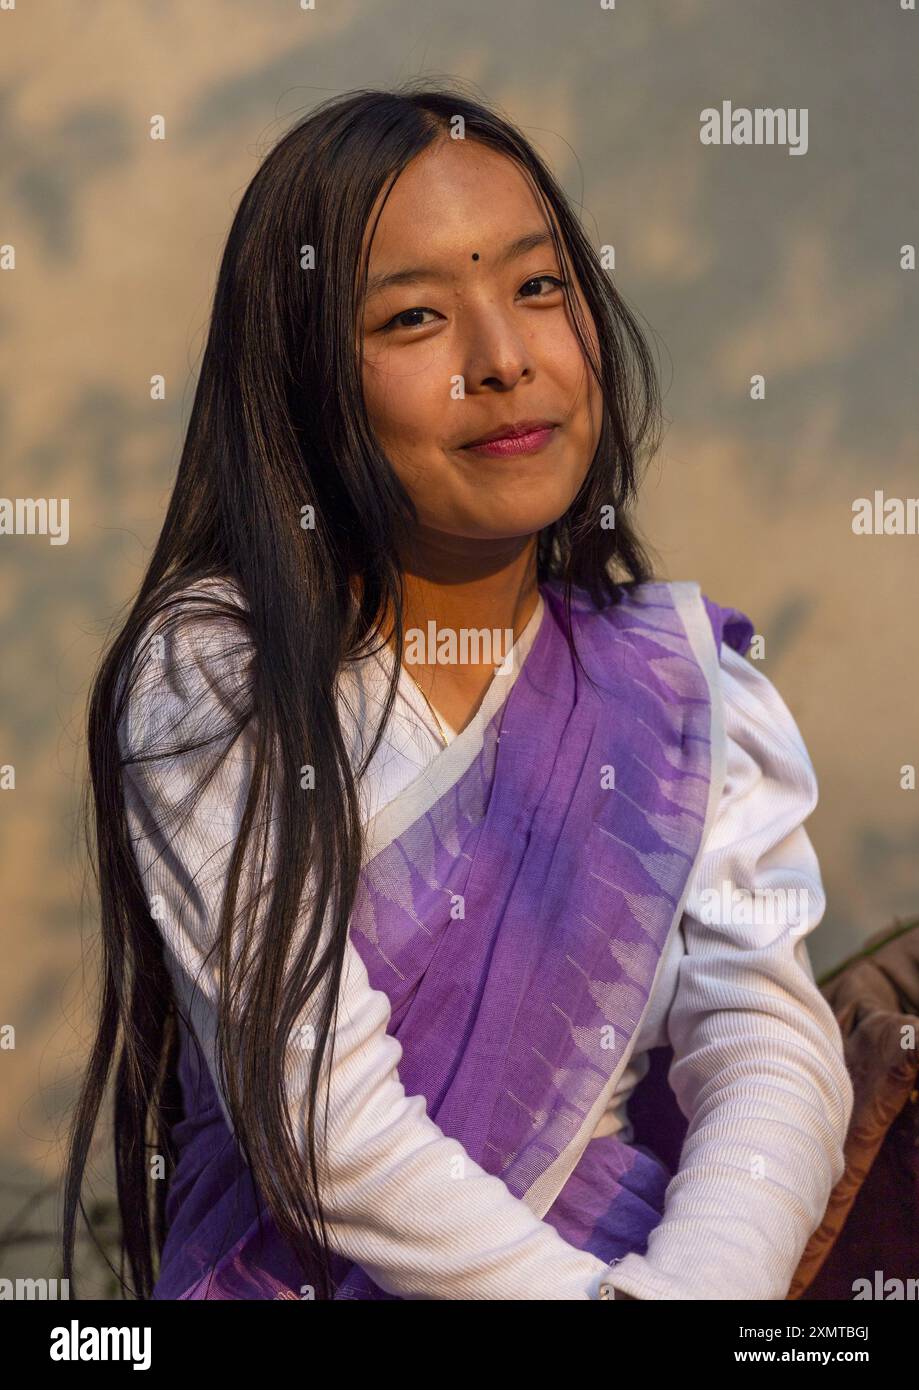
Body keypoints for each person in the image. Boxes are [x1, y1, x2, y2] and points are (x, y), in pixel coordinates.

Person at [62, 82, 853, 1301]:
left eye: (539, 288)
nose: (506, 360)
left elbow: (766, 1040)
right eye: (417, 316)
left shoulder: (681, 689)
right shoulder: (223, 675)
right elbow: (322, 1112)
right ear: (303, 380)